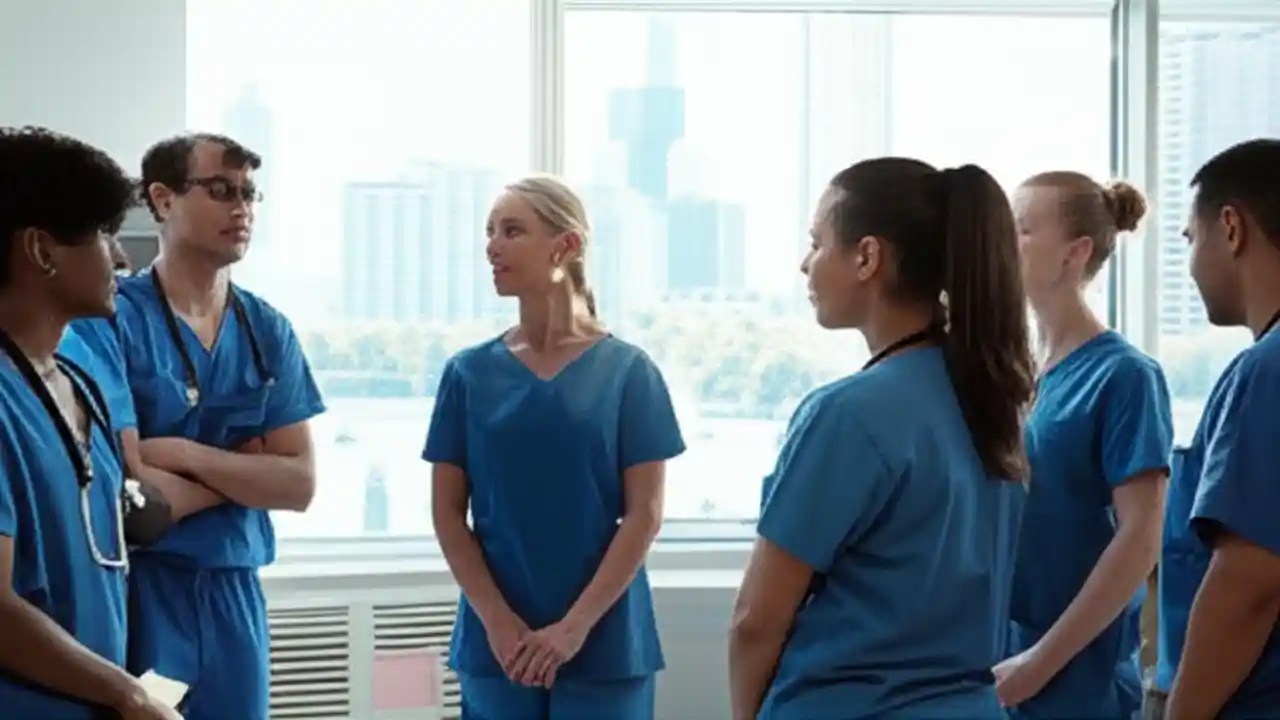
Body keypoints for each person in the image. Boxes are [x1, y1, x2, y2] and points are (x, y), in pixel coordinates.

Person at [729, 158, 1036, 719]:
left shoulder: (849, 416)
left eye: (817, 242)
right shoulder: (994, 405)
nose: (805, 264)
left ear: (867, 256)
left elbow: (757, 619)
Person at [425, 175, 685, 720]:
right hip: (498, 642)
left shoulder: (630, 374)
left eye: (512, 230)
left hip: (606, 640)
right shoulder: (467, 375)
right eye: (489, 232)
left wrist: (574, 628)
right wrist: (497, 621)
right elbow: (448, 514)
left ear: (566, 246)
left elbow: (645, 515)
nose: (492, 246)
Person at [108, 132, 326, 720]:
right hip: (142, 592)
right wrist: (248, 470)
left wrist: (181, 452)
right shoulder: (113, 321)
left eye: (251, 195)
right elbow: (136, 502)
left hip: (235, 595)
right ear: (161, 199)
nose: (242, 209)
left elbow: (299, 486)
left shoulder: (267, 330)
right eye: (221, 190)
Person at [0, 126, 180, 719]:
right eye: (104, 235)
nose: (124, 258)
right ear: (42, 251)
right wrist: (123, 692)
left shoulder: (80, 386)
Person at [995, 172, 1172, 718]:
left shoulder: (1126, 377)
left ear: (1075, 254)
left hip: (1076, 679)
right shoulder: (1016, 375)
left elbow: (1141, 540)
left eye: (1022, 230)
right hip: (1001, 661)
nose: (1005, 245)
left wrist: (1040, 663)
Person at [1158, 138, 1280, 720]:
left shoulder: (1269, 371)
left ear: (1231, 228)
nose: (1190, 263)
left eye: (1189, 237)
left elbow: (1250, 582)